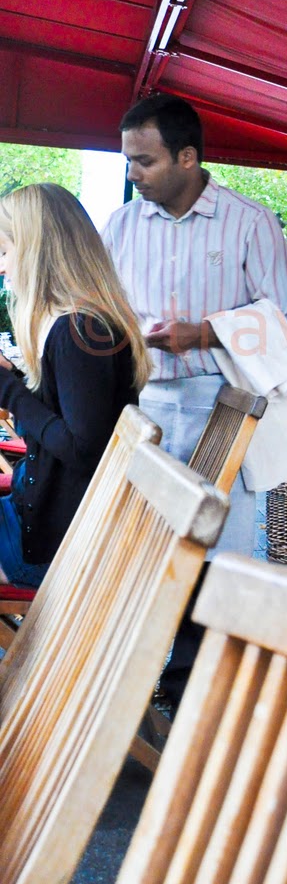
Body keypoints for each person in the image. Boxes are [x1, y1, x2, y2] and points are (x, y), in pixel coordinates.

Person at [103, 94, 287, 557]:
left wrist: (203, 334)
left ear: (187, 157)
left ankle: (213, 630)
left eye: (145, 161)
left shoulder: (251, 222)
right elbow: (100, 306)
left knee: (217, 553)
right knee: (144, 549)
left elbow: (284, 320)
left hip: (223, 402)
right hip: (141, 402)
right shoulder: (121, 225)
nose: (133, 174)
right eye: (129, 161)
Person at [0, 184, 149, 588]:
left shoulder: (80, 332)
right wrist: (13, 379)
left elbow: (83, 450)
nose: (2, 266)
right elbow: (66, 422)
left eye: (5, 252)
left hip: (51, 546)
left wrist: (7, 390)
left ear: (36, 251)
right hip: (44, 524)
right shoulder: (81, 325)